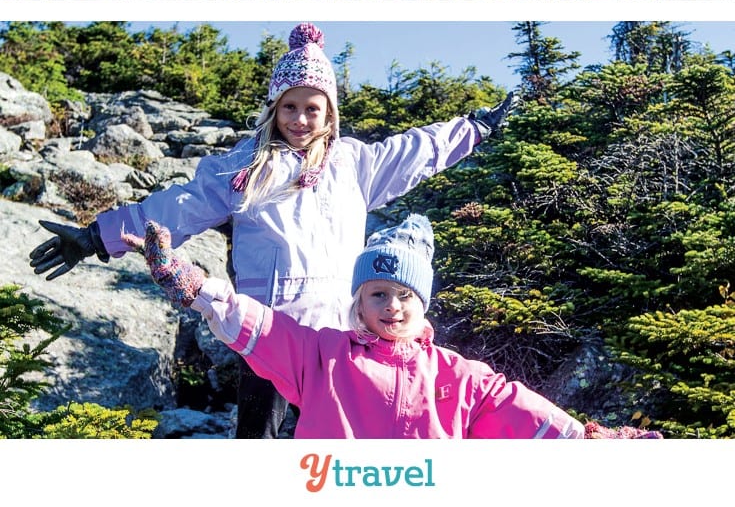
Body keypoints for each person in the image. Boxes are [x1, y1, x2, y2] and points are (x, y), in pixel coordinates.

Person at [29, 21, 516, 440]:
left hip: (342, 333)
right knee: (258, 438)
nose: (300, 119)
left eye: (313, 108)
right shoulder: (242, 167)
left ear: (329, 113)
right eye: (289, 108)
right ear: (273, 108)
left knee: (339, 435)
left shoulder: (354, 164)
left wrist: (473, 128)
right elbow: (177, 206)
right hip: (267, 331)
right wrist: (97, 237)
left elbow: (414, 151)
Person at [126, 214, 661, 441]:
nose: (392, 307)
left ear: (422, 302)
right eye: (377, 294)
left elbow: (522, 409)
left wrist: (589, 439)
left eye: (405, 295)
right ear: (358, 300)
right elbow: (259, 325)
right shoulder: (320, 355)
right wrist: (194, 284)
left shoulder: (459, 375)